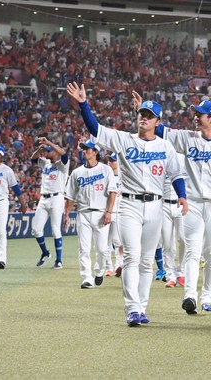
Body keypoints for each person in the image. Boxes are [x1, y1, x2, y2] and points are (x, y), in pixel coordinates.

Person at [66, 82, 188, 327]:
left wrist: (182, 196)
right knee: (132, 257)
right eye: (141, 114)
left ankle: (142, 307)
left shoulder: (165, 146)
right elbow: (95, 128)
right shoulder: (124, 140)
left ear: (157, 122)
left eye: (149, 116)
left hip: (156, 205)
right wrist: (83, 104)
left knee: (146, 261)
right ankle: (132, 308)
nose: (143, 118)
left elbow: (176, 175)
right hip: (129, 205)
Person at [140, 96, 211, 315]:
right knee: (192, 251)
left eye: (200, 114)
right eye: (195, 113)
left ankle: (207, 296)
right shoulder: (188, 138)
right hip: (193, 203)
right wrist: (142, 114)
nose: (195, 117)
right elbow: (160, 131)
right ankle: (189, 295)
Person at [64, 139, 117, 289]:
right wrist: (66, 213)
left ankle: (99, 271)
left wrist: (109, 212)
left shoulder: (105, 170)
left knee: (101, 249)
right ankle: (87, 277)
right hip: (83, 213)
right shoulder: (77, 172)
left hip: (101, 213)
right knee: (84, 248)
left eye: (88, 149)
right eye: (83, 149)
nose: (84, 151)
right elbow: (69, 196)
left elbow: (112, 192)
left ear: (95, 152)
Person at [30, 136, 69, 270]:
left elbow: (64, 154)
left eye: (48, 150)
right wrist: (39, 148)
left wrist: (49, 143)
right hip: (43, 198)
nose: (45, 153)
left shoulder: (62, 165)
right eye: (45, 151)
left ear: (55, 151)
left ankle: (59, 260)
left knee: (55, 230)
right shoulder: (45, 163)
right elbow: (33, 159)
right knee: (36, 229)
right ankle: (45, 253)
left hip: (57, 198)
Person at [160, 153, 187, 288]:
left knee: (183, 239)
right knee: (167, 242)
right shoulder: (160, 156)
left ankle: (181, 271)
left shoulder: (184, 158)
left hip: (181, 203)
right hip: (163, 203)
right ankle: (170, 274)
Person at [104, 153, 125, 277]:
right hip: (107, 211)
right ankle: (108, 267)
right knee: (105, 242)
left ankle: (119, 265)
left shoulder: (124, 177)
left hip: (120, 211)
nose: (110, 162)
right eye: (110, 160)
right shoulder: (106, 176)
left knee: (118, 241)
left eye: (113, 161)